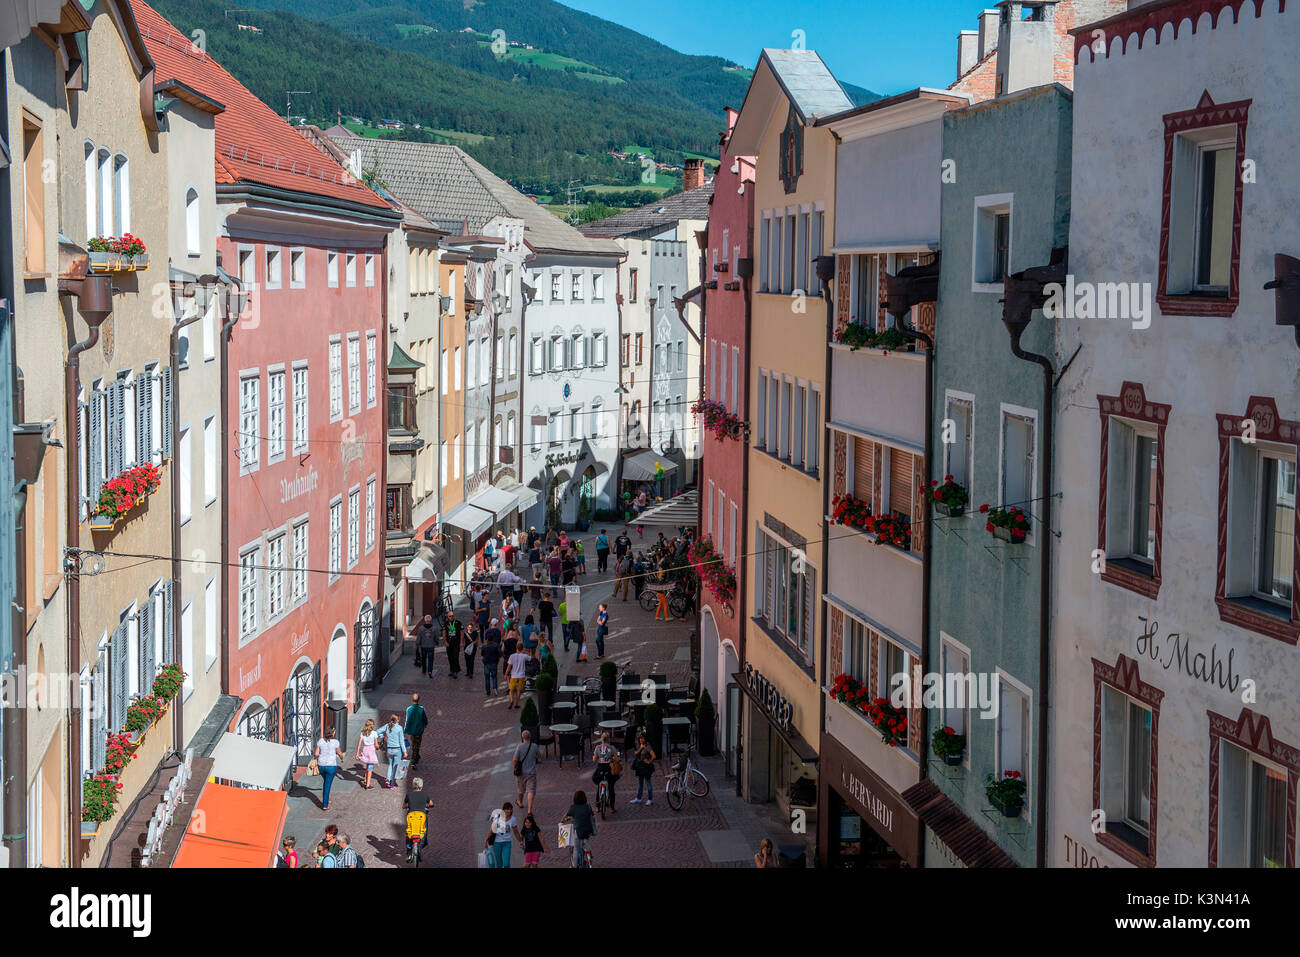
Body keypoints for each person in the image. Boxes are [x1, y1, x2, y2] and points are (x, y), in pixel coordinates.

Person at [403, 777, 435, 863]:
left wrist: (408, 805)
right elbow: (431, 804)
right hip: (421, 817)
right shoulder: (425, 794)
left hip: (411, 817)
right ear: (421, 786)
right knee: (424, 831)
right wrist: (429, 806)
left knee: (409, 831)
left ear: (413, 786)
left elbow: (404, 806)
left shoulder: (409, 794)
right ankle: (421, 845)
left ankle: (409, 852)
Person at [561, 790, 596, 868]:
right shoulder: (588, 806)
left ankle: (574, 865)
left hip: (578, 830)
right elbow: (592, 815)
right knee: (585, 842)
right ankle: (588, 857)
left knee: (576, 849)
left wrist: (562, 820)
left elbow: (565, 815)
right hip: (588, 829)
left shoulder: (573, 807)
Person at [313, 725, 342, 810]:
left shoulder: (320, 741)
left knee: (326, 781)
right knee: (327, 784)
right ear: (332, 733)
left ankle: (326, 799)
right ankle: (325, 804)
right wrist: (342, 758)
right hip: (331, 766)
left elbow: (316, 754)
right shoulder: (335, 742)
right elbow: (339, 753)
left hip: (321, 765)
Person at [485, 801, 520, 869]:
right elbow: (491, 830)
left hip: (507, 843)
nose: (509, 811)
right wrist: (485, 840)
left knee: (506, 864)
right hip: (497, 843)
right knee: (499, 864)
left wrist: (520, 841)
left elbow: (516, 832)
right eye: (507, 809)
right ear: (503, 810)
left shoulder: (513, 819)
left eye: (510, 809)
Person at [591, 731, 619, 810]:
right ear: (608, 739)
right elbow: (616, 759)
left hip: (600, 768)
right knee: (611, 787)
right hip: (609, 768)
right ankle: (612, 807)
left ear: (602, 739)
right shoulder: (611, 747)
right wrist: (614, 758)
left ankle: (597, 806)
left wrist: (595, 757)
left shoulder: (598, 747)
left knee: (599, 784)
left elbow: (594, 759)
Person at [514, 730, 539, 815]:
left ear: (522, 737)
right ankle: (529, 810)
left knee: (520, 789)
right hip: (531, 773)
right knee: (530, 791)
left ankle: (520, 802)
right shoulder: (534, 746)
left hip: (521, 772)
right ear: (530, 737)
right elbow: (538, 756)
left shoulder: (519, 747)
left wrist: (515, 768)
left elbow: (515, 759)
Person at [381, 714, 407, 789]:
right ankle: (392, 784)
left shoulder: (387, 726)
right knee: (395, 767)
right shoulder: (399, 728)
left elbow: (378, 732)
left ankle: (388, 780)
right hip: (397, 750)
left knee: (390, 765)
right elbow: (401, 741)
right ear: (397, 720)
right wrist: (404, 751)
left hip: (389, 749)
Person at [630, 732, 657, 806]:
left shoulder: (648, 746)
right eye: (640, 738)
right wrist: (641, 748)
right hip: (640, 767)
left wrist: (649, 762)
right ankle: (639, 798)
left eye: (642, 738)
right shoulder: (640, 745)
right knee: (640, 784)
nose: (641, 740)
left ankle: (650, 799)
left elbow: (654, 756)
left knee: (648, 783)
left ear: (645, 738)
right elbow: (636, 753)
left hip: (646, 767)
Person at [405, 693, 429, 767]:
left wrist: (405, 729)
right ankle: (414, 761)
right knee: (417, 744)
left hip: (412, 730)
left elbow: (407, 720)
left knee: (413, 744)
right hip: (419, 730)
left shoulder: (409, 709)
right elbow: (424, 718)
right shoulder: (422, 709)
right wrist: (425, 724)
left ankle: (415, 757)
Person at [354, 718, 379, 790]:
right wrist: (378, 747)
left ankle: (365, 779)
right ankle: (367, 785)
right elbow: (376, 745)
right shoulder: (374, 733)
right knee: (370, 769)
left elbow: (359, 744)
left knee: (367, 765)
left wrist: (357, 753)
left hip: (365, 749)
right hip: (371, 750)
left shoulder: (362, 733)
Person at [506, 642, 530, 709]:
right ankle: (516, 704)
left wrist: (505, 674)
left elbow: (509, 666)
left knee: (511, 690)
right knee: (519, 690)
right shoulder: (524, 656)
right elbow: (530, 658)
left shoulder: (512, 656)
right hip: (521, 675)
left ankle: (511, 700)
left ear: (516, 648)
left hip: (513, 675)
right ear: (522, 648)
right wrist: (526, 651)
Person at [480, 627, 502, 696]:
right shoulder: (496, 645)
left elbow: (482, 654)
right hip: (494, 662)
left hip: (486, 662)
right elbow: (500, 653)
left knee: (487, 678)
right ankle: (495, 688)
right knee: (494, 676)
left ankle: (488, 691)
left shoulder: (484, 646)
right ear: (493, 639)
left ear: (487, 639)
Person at [415, 614, 439, 678]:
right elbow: (436, 637)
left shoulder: (421, 628)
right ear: (430, 620)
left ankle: (424, 669)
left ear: (425, 620)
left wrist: (417, 644)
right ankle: (430, 671)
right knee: (430, 659)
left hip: (423, 646)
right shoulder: (434, 628)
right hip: (431, 646)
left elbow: (418, 638)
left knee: (423, 658)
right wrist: (437, 642)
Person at [443, 614, 462, 680]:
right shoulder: (446, 623)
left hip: (456, 642)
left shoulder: (458, 623)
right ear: (448, 617)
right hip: (449, 643)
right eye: (450, 616)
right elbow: (444, 632)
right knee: (450, 657)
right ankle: (452, 670)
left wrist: (462, 642)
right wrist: (445, 641)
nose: (451, 617)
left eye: (452, 616)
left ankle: (455, 671)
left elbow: (462, 632)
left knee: (455, 656)